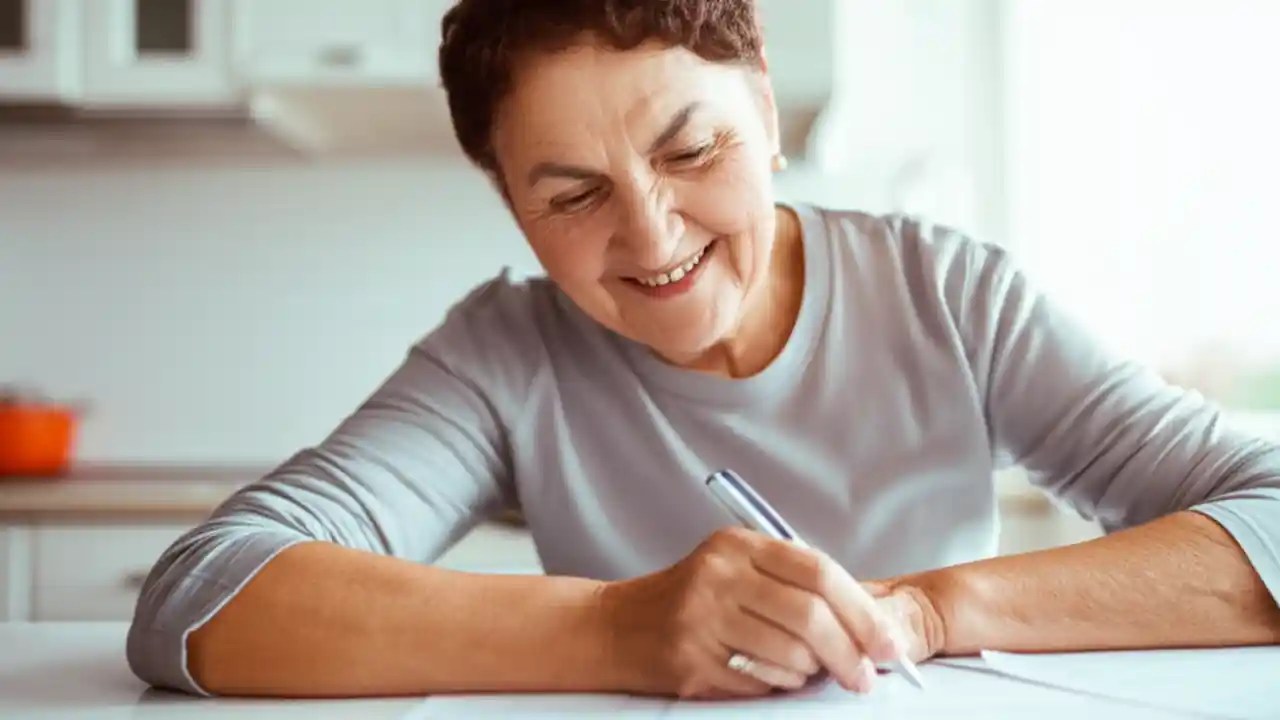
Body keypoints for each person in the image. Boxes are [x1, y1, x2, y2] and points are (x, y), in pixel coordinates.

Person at [126, 0, 1280, 700]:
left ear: (766, 114)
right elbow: (199, 598)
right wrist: (619, 630)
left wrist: (922, 612)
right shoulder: (504, 355)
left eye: (690, 152)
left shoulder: (944, 293)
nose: (650, 235)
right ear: (511, 210)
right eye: (573, 195)